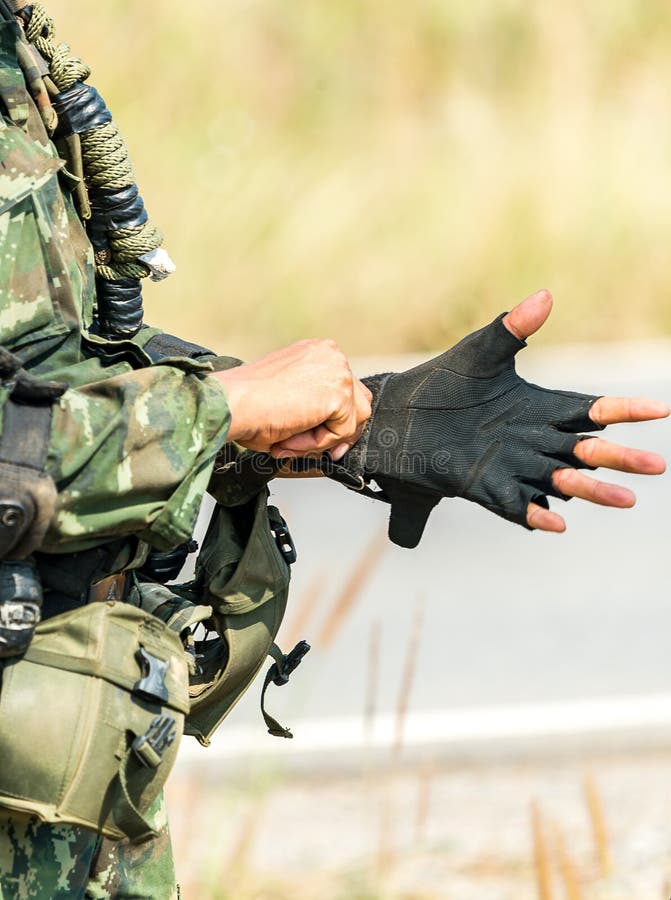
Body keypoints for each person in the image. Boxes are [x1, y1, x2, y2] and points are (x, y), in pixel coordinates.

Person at [0, 2, 667, 898]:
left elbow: (46, 369)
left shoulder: (18, 48)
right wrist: (222, 409)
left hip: (78, 798)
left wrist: (354, 430)